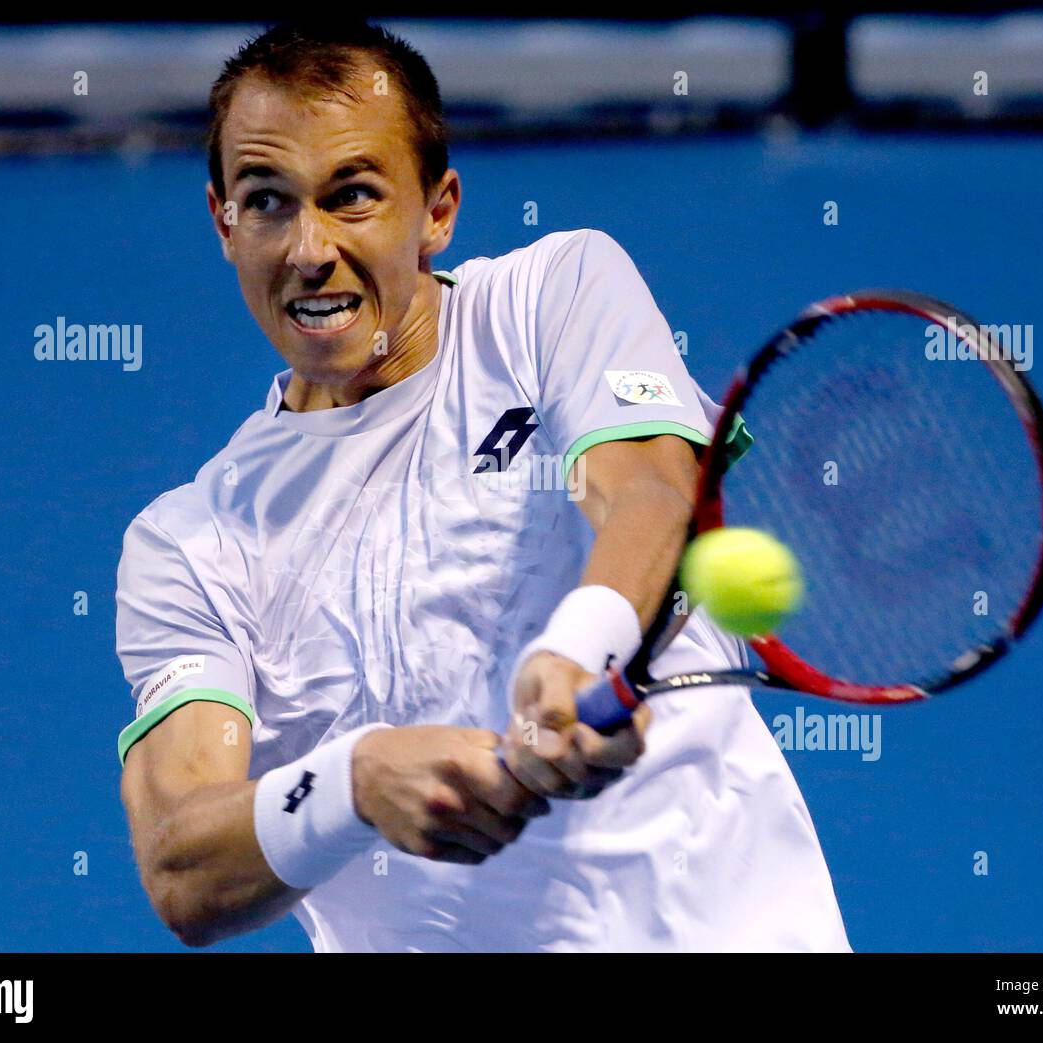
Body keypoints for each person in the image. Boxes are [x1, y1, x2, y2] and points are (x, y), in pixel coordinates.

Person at [116, 19, 851, 952]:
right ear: (224, 223)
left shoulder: (551, 297)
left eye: (352, 196)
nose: (308, 249)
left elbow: (650, 491)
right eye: (268, 201)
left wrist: (581, 646)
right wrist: (355, 781)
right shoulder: (188, 544)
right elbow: (182, 865)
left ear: (438, 209)